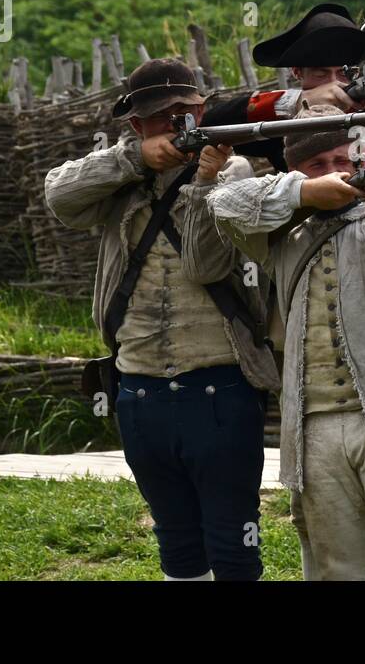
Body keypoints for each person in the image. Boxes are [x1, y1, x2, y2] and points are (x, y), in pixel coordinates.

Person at [44, 57, 279, 581]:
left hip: (222, 382)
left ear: (201, 110)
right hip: (139, 384)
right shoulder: (121, 176)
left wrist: (204, 173)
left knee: (233, 537)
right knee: (175, 539)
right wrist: (135, 159)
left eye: (183, 113)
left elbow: (206, 259)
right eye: (160, 118)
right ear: (137, 126)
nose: (175, 125)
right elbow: (58, 194)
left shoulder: (235, 171)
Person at [207, 104, 365, 580]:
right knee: (334, 570)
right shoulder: (282, 231)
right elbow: (223, 203)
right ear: (296, 172)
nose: (336, 173)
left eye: (343, 161)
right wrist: (305, 193)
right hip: (314, 426)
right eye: (318, 165)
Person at [203, 3, 365, 169]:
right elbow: (209, 125)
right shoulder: (281, 123)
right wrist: (299, 101)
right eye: (321, 74)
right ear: (297, 72)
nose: (334, 84)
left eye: (344, 73)